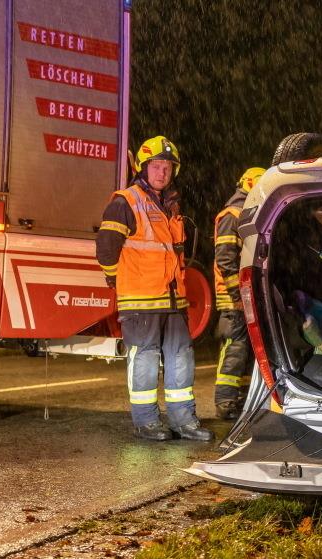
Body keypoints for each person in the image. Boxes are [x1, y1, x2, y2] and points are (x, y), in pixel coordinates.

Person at [96, 135, 213, 441]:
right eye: (157, 165)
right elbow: (107, 248)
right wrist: (116, 279)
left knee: (181, 357)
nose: (163, 172)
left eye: (168, 167)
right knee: (145, 358)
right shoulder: (126, 201)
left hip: (173, 300)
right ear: (143, 167)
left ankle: (183, 420)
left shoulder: (170, 206)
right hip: (141, 300)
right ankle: (147, 420)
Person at [213, 167, 265, 420]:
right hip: (234, 299)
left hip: (245, 296)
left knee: (246, 350)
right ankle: (225, 402)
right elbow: (225, 259)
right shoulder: (232, 215)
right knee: (235, 348)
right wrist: (237, 293)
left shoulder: (248, 214)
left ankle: (240, 399)